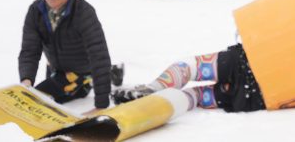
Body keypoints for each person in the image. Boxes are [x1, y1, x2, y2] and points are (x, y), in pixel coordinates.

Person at [19, 0, 118, 113]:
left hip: (81, 72)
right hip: (56, 69)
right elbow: (29, 51)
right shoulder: (35, 11)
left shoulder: (84, 13)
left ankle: (92, 80)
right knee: (31, 97)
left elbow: (99, 56)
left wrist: (101, 105)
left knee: (41, 98)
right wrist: (26, 81)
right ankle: (113, 72)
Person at [113, 44, 264, 113]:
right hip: (253, 96)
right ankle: (158, 103)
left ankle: (153, 89)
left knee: (190, 68)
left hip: (248, 59)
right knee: (197, 96)